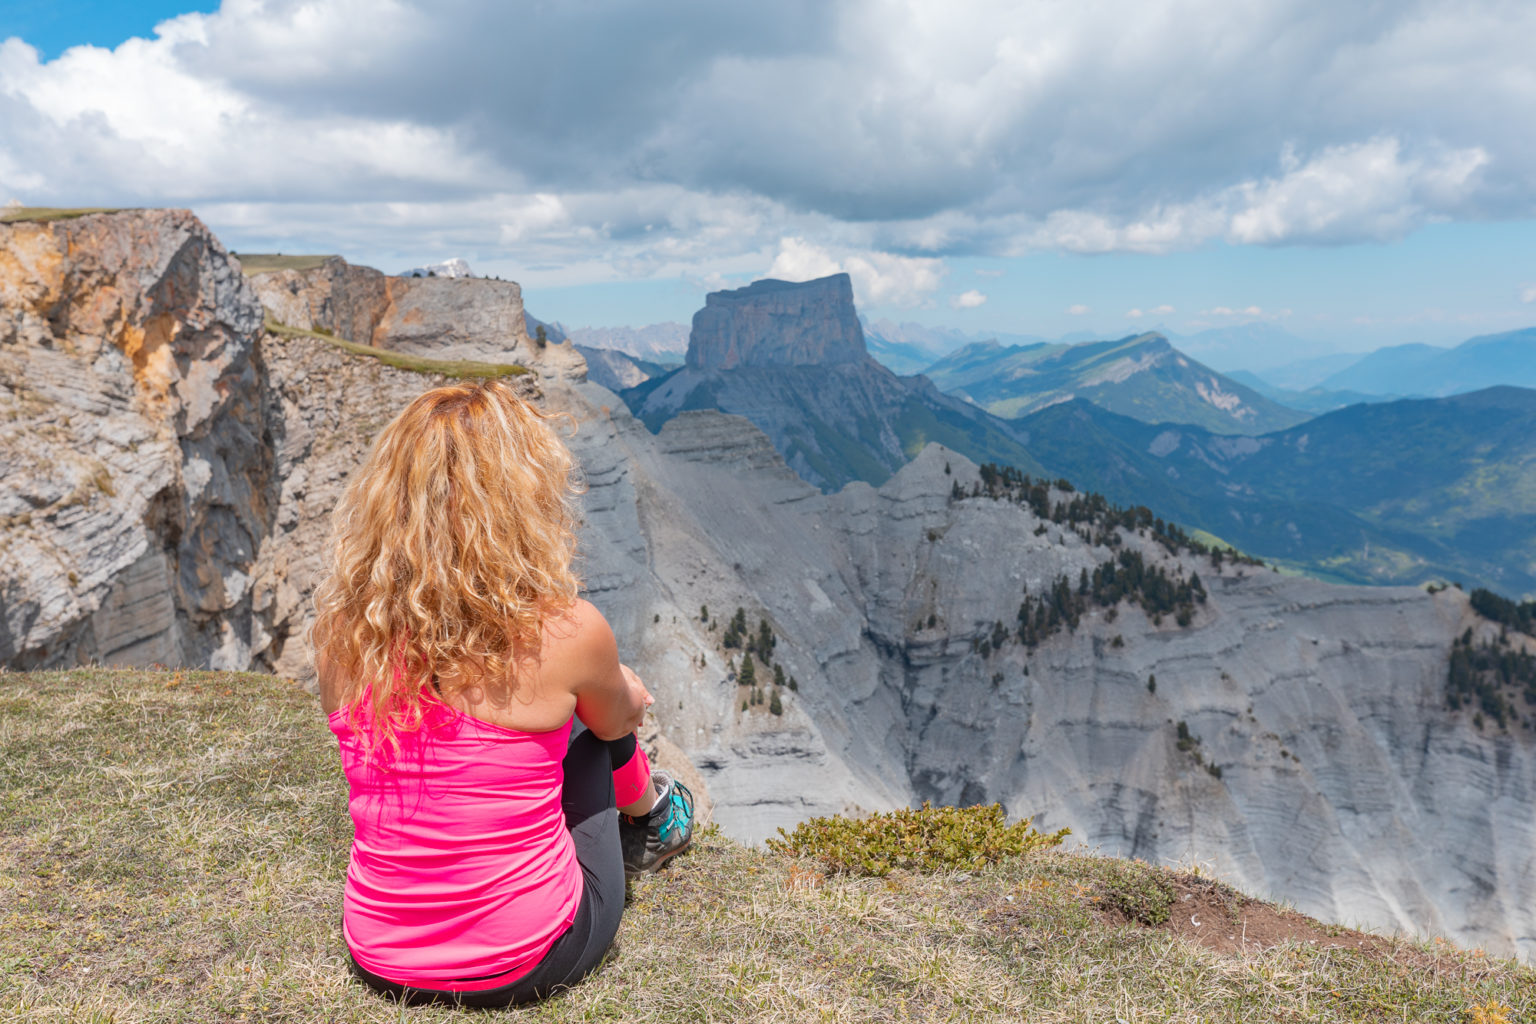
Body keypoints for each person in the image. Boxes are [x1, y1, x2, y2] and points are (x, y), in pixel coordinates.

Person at [311, 379, 694, 1008]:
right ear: (524, 497)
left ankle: (652, 821)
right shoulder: (567, 630)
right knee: (594, 732)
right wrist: (620, 686)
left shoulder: (343, 635)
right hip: (532, 957)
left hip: (379, 955)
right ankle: (655, 821)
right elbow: (618, 719)